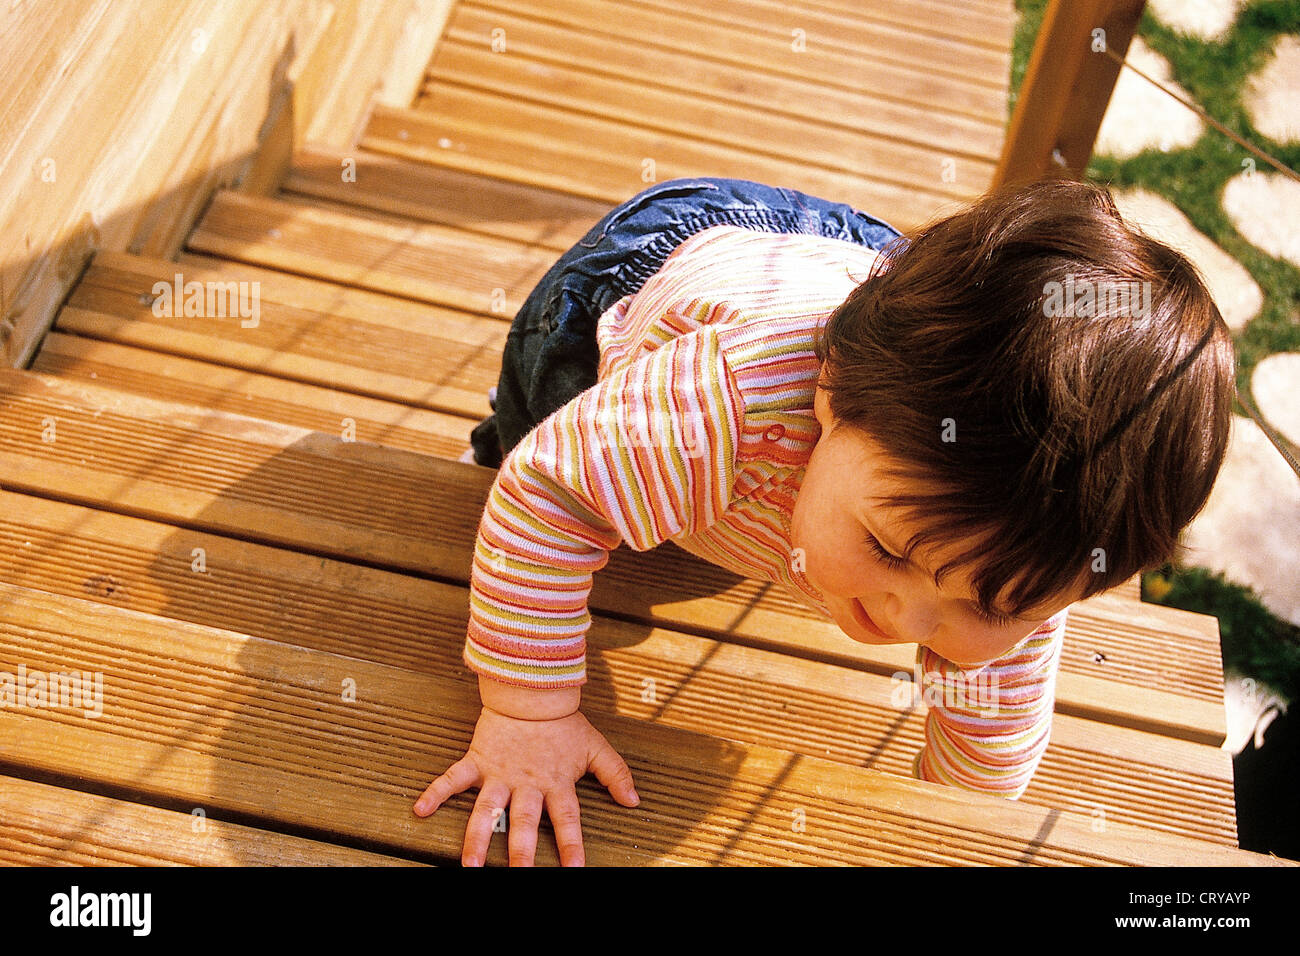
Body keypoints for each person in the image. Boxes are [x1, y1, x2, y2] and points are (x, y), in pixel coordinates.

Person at [413, 176, 1236, 866]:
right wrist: (532, 713)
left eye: (990, 607)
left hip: (861, 265)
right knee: (545, 444)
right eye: (885, 546)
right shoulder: (727, 409)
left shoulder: (1010, 553)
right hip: (639, 280)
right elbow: (548, 498)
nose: (903, 619)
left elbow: (990, 736)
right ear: (828, 399)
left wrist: (955, 832)